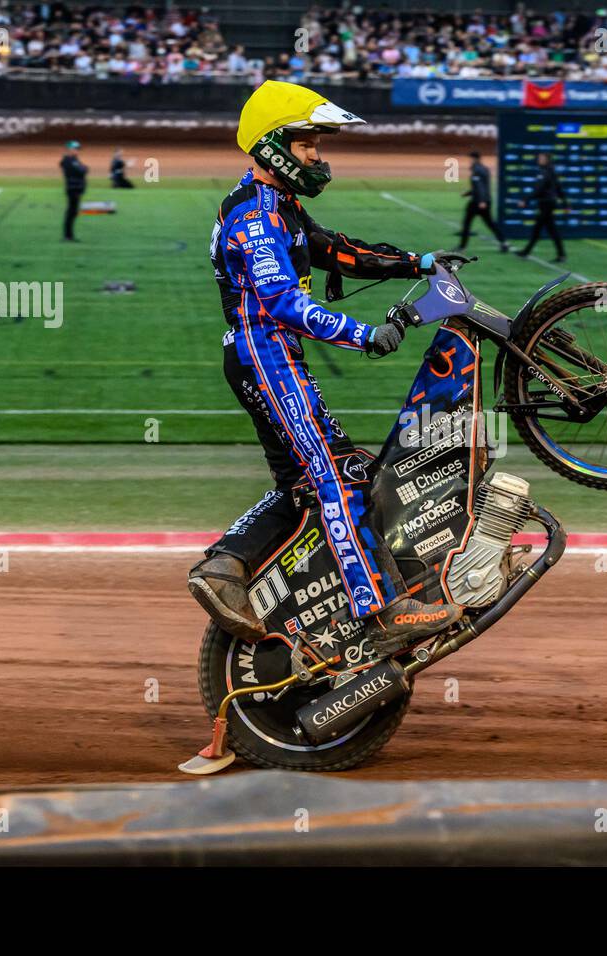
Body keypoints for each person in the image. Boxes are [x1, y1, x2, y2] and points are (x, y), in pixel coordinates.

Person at [187, 80, 463, 655]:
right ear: (270, 146)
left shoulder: (280, 207)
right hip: (266, 360)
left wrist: (418, 261)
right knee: (340, 476)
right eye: (306, 142)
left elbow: (336, 250)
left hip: (265, 359)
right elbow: (287, 304)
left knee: (306, 484)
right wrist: (365, 335)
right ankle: (380, 610)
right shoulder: (255, 219)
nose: (317, 154)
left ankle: (224, 566)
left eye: (318, 142)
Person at [515, 151, 567, 263]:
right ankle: (561, 254)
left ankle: (526, 252)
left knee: (540, 229)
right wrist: (565, 203)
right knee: (549, 229)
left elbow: (539, 189)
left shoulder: (545, 172)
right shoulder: (550, 171)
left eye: (541, 158)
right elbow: (558, 188)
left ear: (547, 160)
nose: (539, 160)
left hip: (546, 203)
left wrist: (525, 200)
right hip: (548, 203)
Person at [457, 149, 507, 252]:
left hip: (478, 202)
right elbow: (481, 187)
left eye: (470, 158)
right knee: (490, 223)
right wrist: (468, 193)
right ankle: (504, 242)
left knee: (467, 223)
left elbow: (480, 188)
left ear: (475, 159)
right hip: (483, 201)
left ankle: (462, 246)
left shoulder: (477, 170)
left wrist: (481, 201)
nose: (469, 160)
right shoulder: (483, 169)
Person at [59, 141, 88, 240]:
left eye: (78, 149)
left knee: (73, 212)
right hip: (73, 188)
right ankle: (68, 236)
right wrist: (83, 168)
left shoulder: (74, 160)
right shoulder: (69, 160)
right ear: (70, 149)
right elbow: (82, 170)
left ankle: (69, 235)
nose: (77, 151)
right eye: (75, 149)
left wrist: (83, 168)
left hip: (76, 188)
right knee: (71, 212)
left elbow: (83, 169)